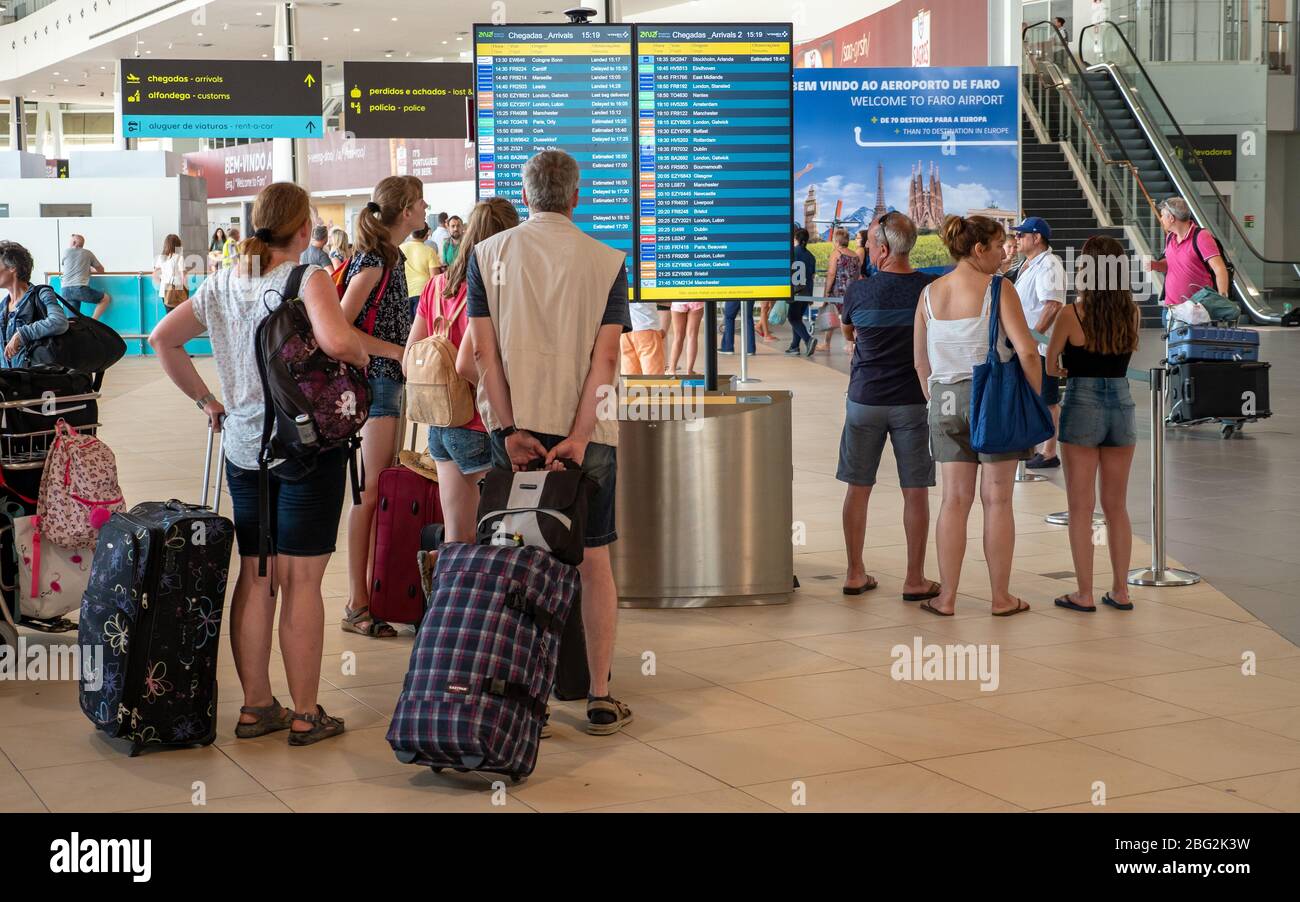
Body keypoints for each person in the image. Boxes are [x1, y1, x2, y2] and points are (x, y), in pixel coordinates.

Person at [148, 182, 369, 746]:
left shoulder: (224, 280)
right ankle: (304, 713)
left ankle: (254, 707)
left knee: (258, 572)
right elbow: (339, 343)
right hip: (305, 449)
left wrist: (208, 402)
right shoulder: (306, 276)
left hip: (245, 449)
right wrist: (378, 354)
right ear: (301, 228)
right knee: (302, 580)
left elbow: (162, 339)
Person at [467, 148, 634, 735]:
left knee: (512, 558)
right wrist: (581, 437)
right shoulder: (607, 260)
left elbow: (484, 355)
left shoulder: (487, 255)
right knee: (593, 560)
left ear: (526, 192)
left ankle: (516, 694)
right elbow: (606, 358)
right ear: (575, 197)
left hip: (514, 429)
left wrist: (510, 431)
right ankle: (600, 691)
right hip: (589, 432)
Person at [913, 215, 1042, 617]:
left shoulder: (930, 293)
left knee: (953, 500)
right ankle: (1000, 598)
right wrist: (1031, 400)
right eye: (1001, 243)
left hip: (944, 399)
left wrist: (938, 398)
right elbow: (1025, 351)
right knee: (998, 499)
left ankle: (947, 597)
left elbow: (920, 362)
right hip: (993, 400)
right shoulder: (999, 289)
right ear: (978, 249)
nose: (1007, 250)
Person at [339, 175, 428, 640]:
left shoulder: (389, 258)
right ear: (408, 209)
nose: (427, 208)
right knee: (370, 493)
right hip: (376, 385)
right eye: (422, 203)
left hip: (385, 385)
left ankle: (372, 593)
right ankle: (356, 603)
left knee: (378, 490)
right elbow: (338, 328)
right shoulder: (373, 262)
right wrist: (394, 353)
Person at [838, 212, 941, 601]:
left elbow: (850, 331)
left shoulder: (859, 292)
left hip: (865, 399)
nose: (866, 249)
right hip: (913, 402)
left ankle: (854, 572)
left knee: (858, 487)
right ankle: (915, 579)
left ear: (882, 249)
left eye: (868, 244)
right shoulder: (929, 290)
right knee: (915, 491)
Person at [407, 198, 518, 542]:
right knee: (495, 539)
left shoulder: (436, 286)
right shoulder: (487, 287)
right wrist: (503, 401)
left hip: (439, 424)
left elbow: (410, 354)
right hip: (477, 425)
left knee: (456, 537)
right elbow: (469, 363)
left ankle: (445, 593)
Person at [1047, 235, 1141, 614]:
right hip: (1122, 403)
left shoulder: (1071, 314)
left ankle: (1084, 593)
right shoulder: (1132, 312)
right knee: (1116, 505)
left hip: (1082, 402)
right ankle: (1121, 590)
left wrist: (1067, 365)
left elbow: (1052, 363)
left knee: (1081, 506)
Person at [1012, 216, 1066, 470]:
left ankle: (1049, 452)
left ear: (1037, 238)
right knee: (1034, 397)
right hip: (1025, 344)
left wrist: (1034, 337)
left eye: (1021, 235)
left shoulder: (1050, 265)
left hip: (1040, 346)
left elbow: (1053, 304)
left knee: (1047, 399)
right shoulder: (1028, 264)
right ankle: (1035, 445)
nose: (1017, 238)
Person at [1150, 197, 1230, 311]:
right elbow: (1171, 265)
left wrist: (1222, 300)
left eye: (1162, 215)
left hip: (1197, 309)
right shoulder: (1170, 237)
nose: (1161, 219)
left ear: (1171, 218)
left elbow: (1219, 268)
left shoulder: (1201, 237)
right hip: (1171, 309)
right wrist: (1155, 265)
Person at [0, 241, 70, 369]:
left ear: (12, 267)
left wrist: (21, 334)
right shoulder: (2, 306)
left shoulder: (42, 293)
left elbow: (59, 322)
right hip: (9, 381)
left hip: (36, 381)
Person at [821, 227, 861, 351]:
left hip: (837, 292)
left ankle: (826, 343)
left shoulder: (836, 253)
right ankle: (850, 345)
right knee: (850, 319)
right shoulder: (855, 255)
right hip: (852, 292)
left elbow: (831, 273)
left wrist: (827, 291)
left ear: (837, 241)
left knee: (830, 317)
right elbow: (857, 274)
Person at [59, 234, 111, 320]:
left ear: (74, 242)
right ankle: (94, 322)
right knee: (105, 299)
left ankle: (75, 332)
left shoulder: (66, 252)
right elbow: (101, 270)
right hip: (80, 289)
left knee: (74, 320)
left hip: (65, 291)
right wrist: (89, 269)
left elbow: (69, 267)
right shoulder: (88, 253)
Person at [788, 227, 818, 356]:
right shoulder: (811, 256)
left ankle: (808, 339)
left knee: (793, 318)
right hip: (806, 291)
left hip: (795, 291)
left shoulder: (791, 253)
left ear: (795, 238)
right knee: (798, 318)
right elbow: (811, 277)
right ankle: (794, 346)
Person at [401, 225, 439, 320]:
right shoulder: (430, 251)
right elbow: (435, 278)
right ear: (426, 236)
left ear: (411, 234)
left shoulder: (400, 248)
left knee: (408, 328)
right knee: (421, 328)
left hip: (404, 292)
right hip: (423, 292)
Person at [621, 301, 666, 376]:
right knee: (654, 380)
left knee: (630, 379)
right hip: (647, 327)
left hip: (625, 329)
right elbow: (665, 301)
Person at [152, 233, 190, 309]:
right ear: (177, 245)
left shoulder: (161, 257)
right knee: (178, 317)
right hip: (177, 292)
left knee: (169, 316)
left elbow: (155, 274)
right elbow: (184, 277)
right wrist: (186, 290)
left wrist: (163, 282)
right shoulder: (179, 258)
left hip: (164, 291)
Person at [669, 301, 705, 373]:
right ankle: (689, 370)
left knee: (678, 337)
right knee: (692, 336)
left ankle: (672, 370)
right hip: (695, 300)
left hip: (678, 301)